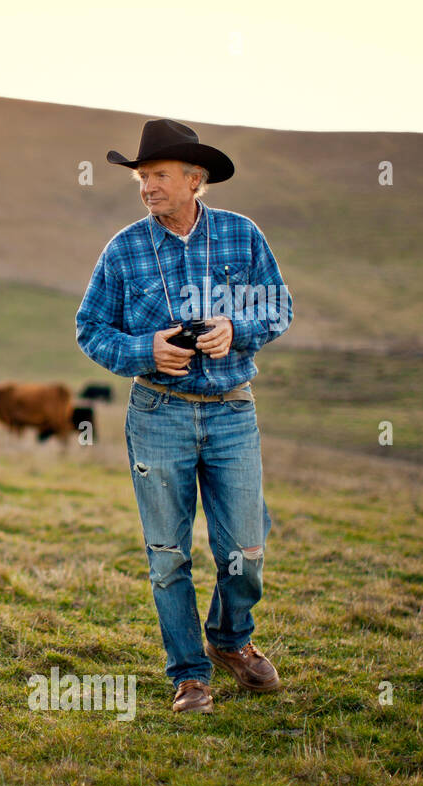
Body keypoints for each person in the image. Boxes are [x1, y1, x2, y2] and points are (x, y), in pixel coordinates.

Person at [75, 119, 293, 713]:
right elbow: (91, 330)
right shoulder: (123, 249)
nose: (147, 186)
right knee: (168, 554)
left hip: (231, 413)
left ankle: (229, 639)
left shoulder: (242, 236)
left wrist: (234, 330)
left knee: (246, 548)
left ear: (195, 180)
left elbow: (279, 306)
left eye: (159, 176)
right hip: (157, 413)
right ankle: (190, 675)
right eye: (142, 177)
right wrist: (147, 350)